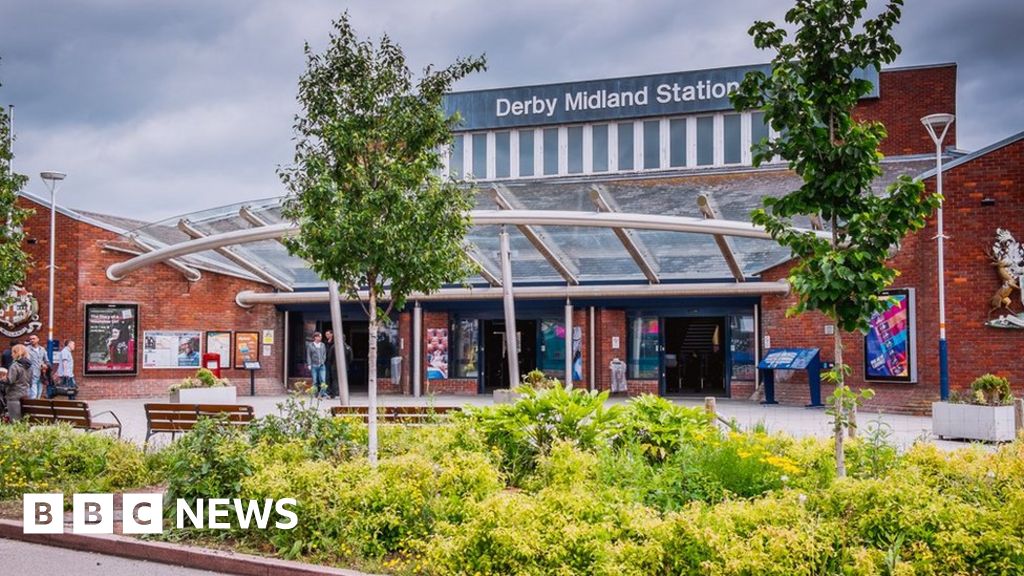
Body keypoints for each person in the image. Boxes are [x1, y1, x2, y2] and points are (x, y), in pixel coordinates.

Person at [4, 344, 32, 421]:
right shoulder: (29, 366)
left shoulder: (15, 366)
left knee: (14, 420)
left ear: (17, 353)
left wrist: (3, 379)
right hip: (25, 394)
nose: (11, 355)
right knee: (23, 420)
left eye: (13, 352)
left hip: (14, 396)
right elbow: (30, 381)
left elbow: (10, 381)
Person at [26, 335, 49, 400]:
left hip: (41, 374)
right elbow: (25, 361)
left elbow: (47, 360)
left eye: (33, 339)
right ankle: (32, 405)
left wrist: (45, 365)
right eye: (30, 339)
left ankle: (36, 404)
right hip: (32, 374)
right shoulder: (27, 349)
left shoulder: (42, 349)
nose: (32, 340)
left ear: (38, 339)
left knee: (39, 393)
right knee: (33, 393)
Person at [305, 332, 328, 398]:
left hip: (322, 365)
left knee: (323, 380)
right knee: (315, 381)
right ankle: (315, 394)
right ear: (315, 337)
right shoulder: (310, 345)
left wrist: (323, 361)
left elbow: (324, 354)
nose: (321, 338)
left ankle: (322, 394)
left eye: (321, 336)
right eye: (319, 336)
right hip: (314, 365)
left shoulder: (323, 345)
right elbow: (308, 355)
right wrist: (309, 364)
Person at [324, 330, 337, 399]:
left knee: (333, 377)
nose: (327, 335)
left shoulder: (335, 342)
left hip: (334, 362)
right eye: (326, 334)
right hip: (327, 361)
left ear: (332, 334)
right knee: (327, 377)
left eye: (328, 334)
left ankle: (334, 392)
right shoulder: (325, 342)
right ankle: (328, 391)